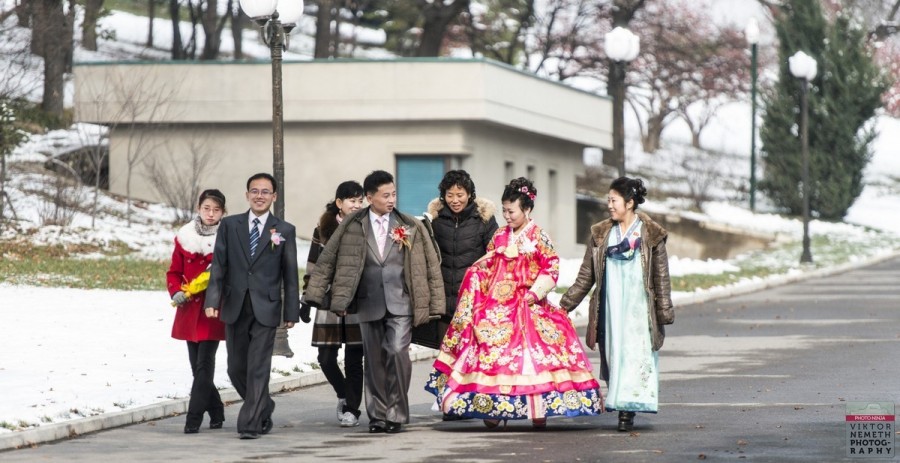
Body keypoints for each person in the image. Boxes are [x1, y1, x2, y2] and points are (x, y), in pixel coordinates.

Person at [426, 177, 603, 430]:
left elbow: (551, 268)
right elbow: (488, 265)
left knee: (534, 354)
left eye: (511, 211)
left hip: (528, 303)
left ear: (527, 209)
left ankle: (538, 406)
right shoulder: (499, 236)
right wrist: (478, 274)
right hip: (496, 306)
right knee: (491, 350)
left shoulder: (539, 235)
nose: (507, 216)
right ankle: (494, 405)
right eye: (505, 211)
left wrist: (533, 294)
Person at [305, 170, 444, 435]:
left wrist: (434, 302)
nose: (391, 199)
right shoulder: (352, 225)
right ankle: (379, 416)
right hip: (368, 302)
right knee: (375, 360)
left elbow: (430, 264)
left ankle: (397, 412)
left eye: (393, 194)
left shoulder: (410, 225)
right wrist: (314, 294)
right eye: (385, 195)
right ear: (370, 197)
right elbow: (329, 258)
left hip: (401, 302)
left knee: (396, 351)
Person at [559, 176, 674, 432]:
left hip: (639, 307)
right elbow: (586, 275)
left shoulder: (651, 234)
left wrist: (664, 309)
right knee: (615, 354)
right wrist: (566, 304)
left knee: (636, 354)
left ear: (630, 203)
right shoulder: (601, 234)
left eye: (614, 200)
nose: (609, 205)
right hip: (611, 306)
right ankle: (621, 403)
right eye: (608, 200)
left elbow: (661, 275)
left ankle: (627, 410)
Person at [204, 173, 300, 440]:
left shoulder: (284, 230)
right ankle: (263, 405)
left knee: (258, 366)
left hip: (267, 308)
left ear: (274, 196)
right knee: (236, 368)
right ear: (247, 195)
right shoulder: (230, 225)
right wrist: (213, 300)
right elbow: (219, 265)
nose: (259, 195)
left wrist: (291, 311)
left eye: (265, 191)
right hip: (235, 305)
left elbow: (289, 274)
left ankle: (250, 423)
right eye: (254, 191)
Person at [424, 170, 498, 421]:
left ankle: (474, 399)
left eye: (460, 194)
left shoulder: (484, 220)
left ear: (469, 195)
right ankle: (450, 402)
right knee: (448, 352)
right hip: (444, 296)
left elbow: (495, 254)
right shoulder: (434, 221)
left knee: (473, 353)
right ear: (443, 196)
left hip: (474, 298)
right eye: (450, 195)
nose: (455, 200)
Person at [299, 181, 366, 428]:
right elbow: (313, 266)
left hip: (357, 301)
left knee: (354, 359)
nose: (357, 205)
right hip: (328, 300)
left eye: (360, 201)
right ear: (339, 203)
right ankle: (343, 394)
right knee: (326, 358)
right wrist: (308, 297)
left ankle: (352, 409)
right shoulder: (323, 229)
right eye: (352, 200)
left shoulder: (366, 227)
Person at [167, 189, 228, 434]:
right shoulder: (185, 236)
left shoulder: (228, 236)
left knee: (204, 364)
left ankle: (193, 418)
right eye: (206, 208)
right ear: (199, 208)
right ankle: (216, 409)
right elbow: (173, 272)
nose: (211, 214)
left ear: (223, 211)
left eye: (216, 209)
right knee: (196, 366)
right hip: (189, 308)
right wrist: (175, 292)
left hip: (214, 308)